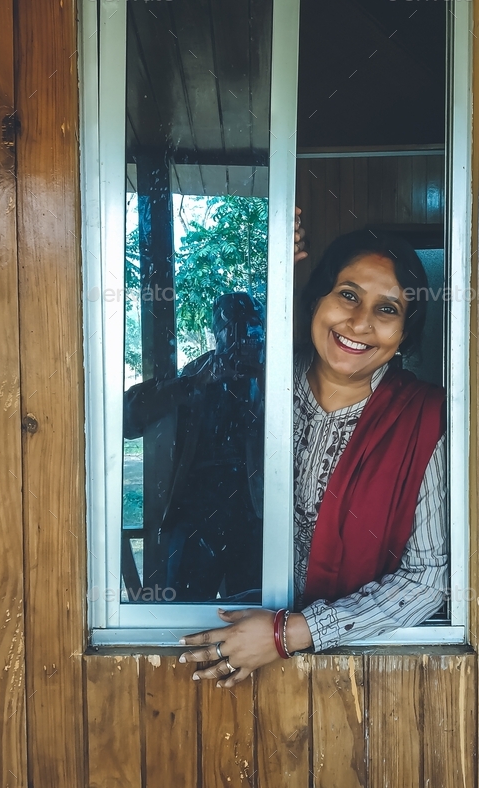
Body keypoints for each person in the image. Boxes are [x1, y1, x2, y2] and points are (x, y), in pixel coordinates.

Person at [179, 210, 447, 687]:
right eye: (348, 295)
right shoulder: (260, 385)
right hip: (232, 618)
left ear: (405, 333)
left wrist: (289, 634)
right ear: (316, 300)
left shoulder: (426, 419)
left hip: (360, 668)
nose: (360, 322)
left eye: (388, 309)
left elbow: (427, 580)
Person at [123, 292, 266, 600]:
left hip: (256, 515)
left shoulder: (276, 375)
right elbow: (128, 418)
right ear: (216, 331)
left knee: (255, 607)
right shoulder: (199, 372)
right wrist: (194, 383)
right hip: (198, 513)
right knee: (186, 607)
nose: (239, 338)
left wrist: (265, 378)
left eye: (250, 328)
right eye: (231, 327)